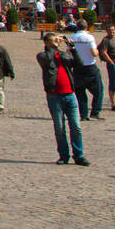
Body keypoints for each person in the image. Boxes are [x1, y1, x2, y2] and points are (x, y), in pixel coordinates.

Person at [37, 34, 89, 166]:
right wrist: (53, 47)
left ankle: (79, 155)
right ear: (47, 43)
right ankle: (63, 155)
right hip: (54, 96)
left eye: (56, 40)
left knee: (76, 127)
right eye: (54, 40)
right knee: (60, 127)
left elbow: (78, 64)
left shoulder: (63, 55)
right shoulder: (42, 56)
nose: (57, 42)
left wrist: (73, 48)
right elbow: (48, 60)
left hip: (70, 95)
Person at [68, 24, 105, 121]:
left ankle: (83, 114)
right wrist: (98, 51)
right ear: (86, 27)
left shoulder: (72, 37)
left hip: (77, 66)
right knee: (99, 91)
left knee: (80, 92)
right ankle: (95, 112)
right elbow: (94, 52)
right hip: (90, 66)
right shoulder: (89, 37)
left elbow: (68, 51)